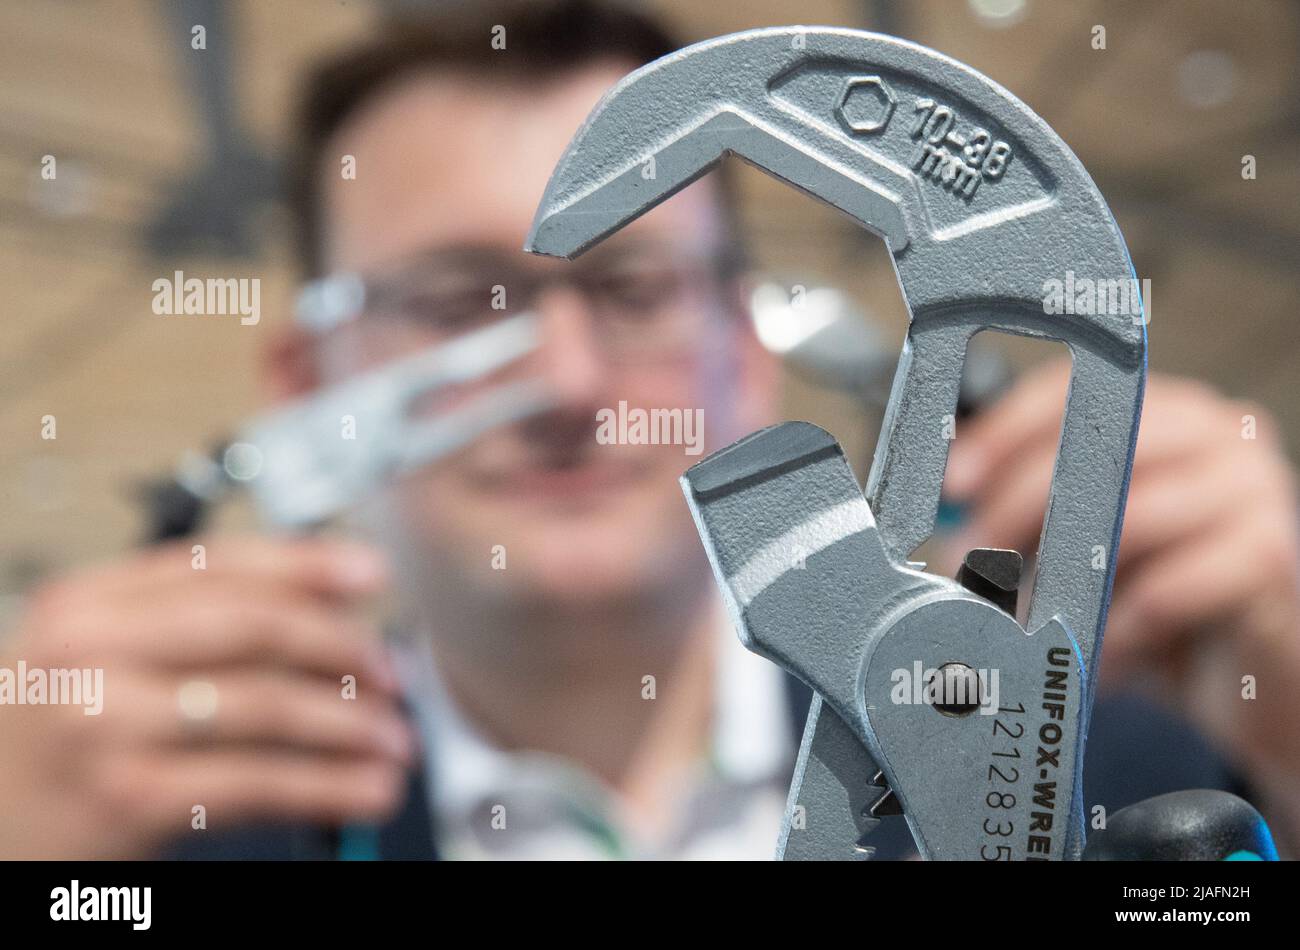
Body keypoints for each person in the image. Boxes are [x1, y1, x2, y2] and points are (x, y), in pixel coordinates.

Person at [1, 0, 1296, 860]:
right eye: (463, 306)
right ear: (307, 384)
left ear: (745, 351)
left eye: (633, 292)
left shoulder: (1123, 759)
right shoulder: (149, 846)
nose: (566, 381)